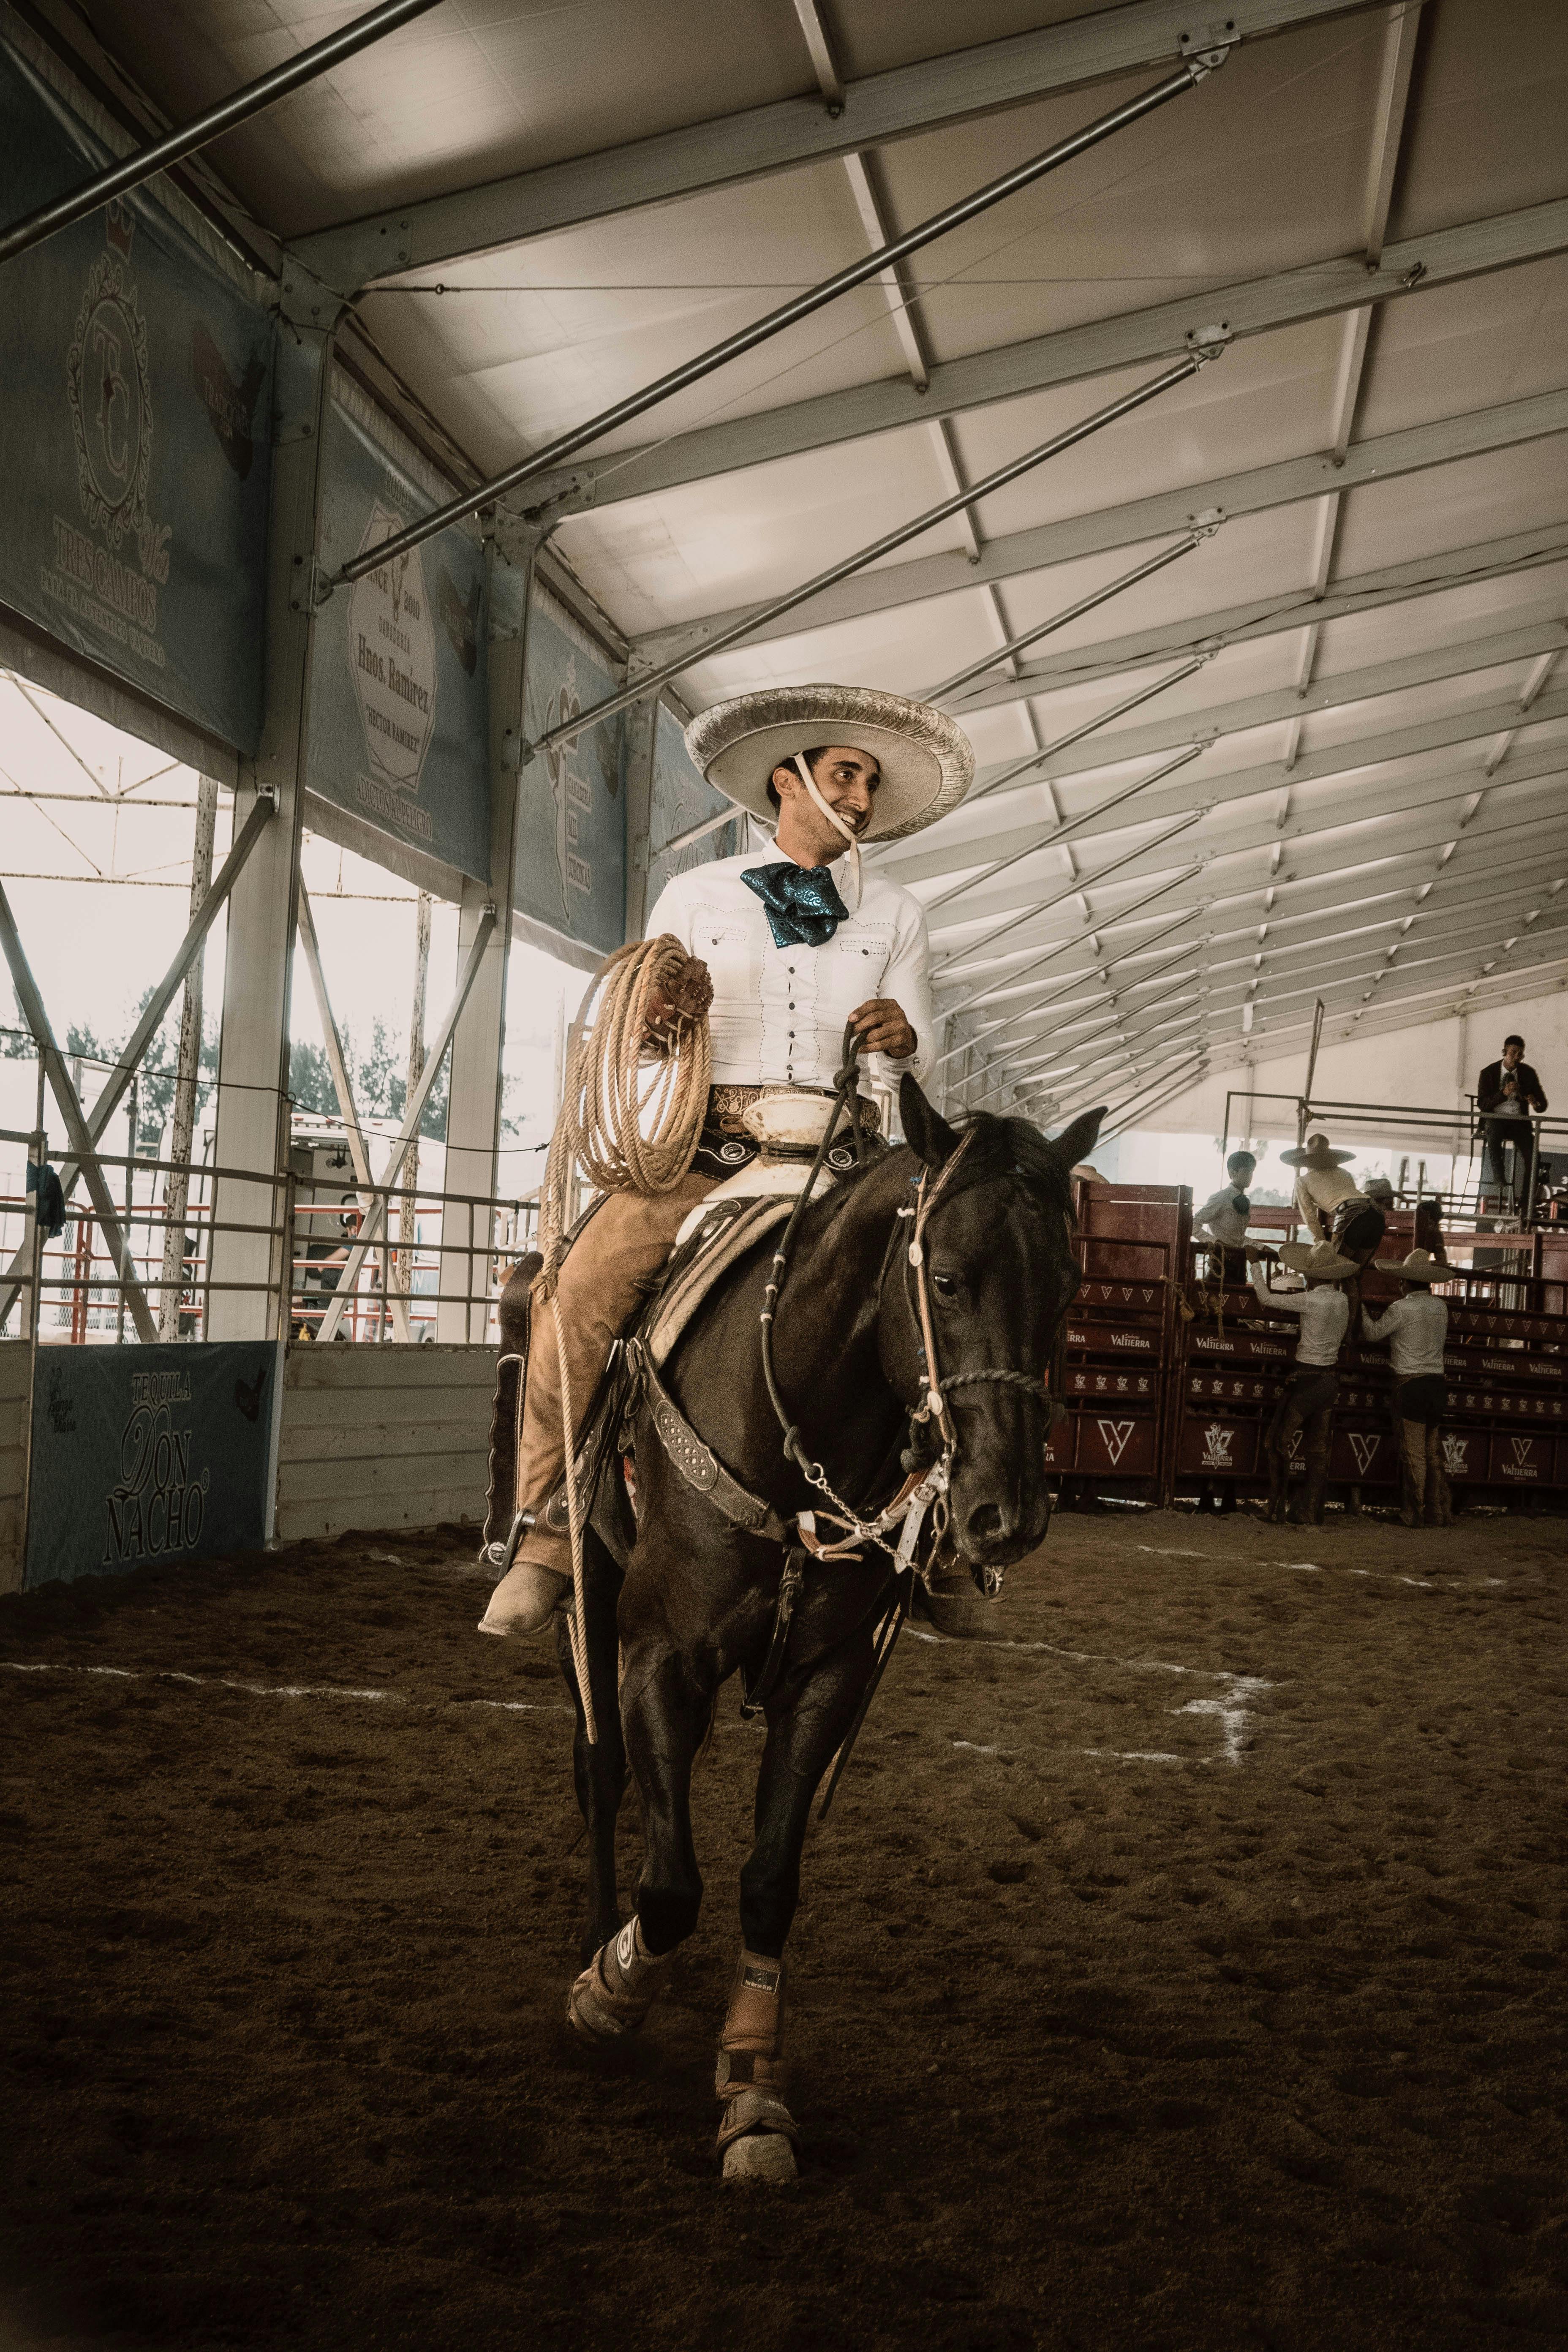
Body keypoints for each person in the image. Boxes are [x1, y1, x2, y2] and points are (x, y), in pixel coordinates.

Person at [480, 684, 974, 1639]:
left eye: (871, 780)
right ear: (788, 780)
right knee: (577, 1291)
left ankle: (938, 1533)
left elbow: (918, 1057)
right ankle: (547, 1533)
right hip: (707, 1148)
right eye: (846, 774)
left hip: (843, 1156)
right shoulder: (696, 897)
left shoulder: (899, 912)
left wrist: (903, 1035)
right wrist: (660, 1021)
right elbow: (641, 1035)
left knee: (946, 1296)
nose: (863, 797)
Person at [1245, 1239, 1356, 1525]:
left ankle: (1275, 1508)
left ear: (1314, 1274)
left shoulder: (1310, 1300)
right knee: (1318, 1450)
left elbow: (1267, 1299)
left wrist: (1255, 1263)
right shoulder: (1342, 1300)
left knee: (1278, 1442)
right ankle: (1311, 1510)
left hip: (1306, 1380)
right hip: (1330, 1382)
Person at [1361, 1250, 1451, 1528]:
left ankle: (1414, 1512)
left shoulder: (1401, 1309)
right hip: (1437, 1385)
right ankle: (1437, 1512)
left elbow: (1373, 1334)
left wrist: (1362, 1309)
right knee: (1432, 1454)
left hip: (1410, 1385)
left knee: (1414, 1456)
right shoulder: (1441, 1307)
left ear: (1406, 1283)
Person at [1279, 1134, 1386, 1265]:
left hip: (1351, 1214)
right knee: (1357, 1269)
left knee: (1334, 1267)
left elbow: (1310, 1217)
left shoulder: (1302, 1182)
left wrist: (1322, 1244)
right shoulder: (1344, 1173)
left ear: (1304, 1162)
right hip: (1376, 1212)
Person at [1476, 1034, 1548, 1210]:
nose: (1517, 1057)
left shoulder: (1528, 1073)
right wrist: (1503, 1093)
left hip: (1519, 1121)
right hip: (1495, 1117)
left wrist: (1535, 1102)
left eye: (1520, 1054)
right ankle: (1499, 1177)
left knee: (1533, 1156)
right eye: (1513, 1053)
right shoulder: (1488, 1073)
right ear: (1505, 1051)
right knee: (1493, 1136)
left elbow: (1542, 1105)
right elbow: (1483, 1105)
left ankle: (1526, 1201)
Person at [1194, 1149, 1263, 1285]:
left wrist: (1261, 1247)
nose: (1250, 1176)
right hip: (1220, 1264)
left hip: (1239, 1265)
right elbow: (1193, 1224)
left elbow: (1238, 1238)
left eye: (1252, 1172)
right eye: (1247, 1171)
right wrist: (1216, 1243)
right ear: (1233, 1172)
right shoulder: (1220, 1198)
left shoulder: (1244, 1201)